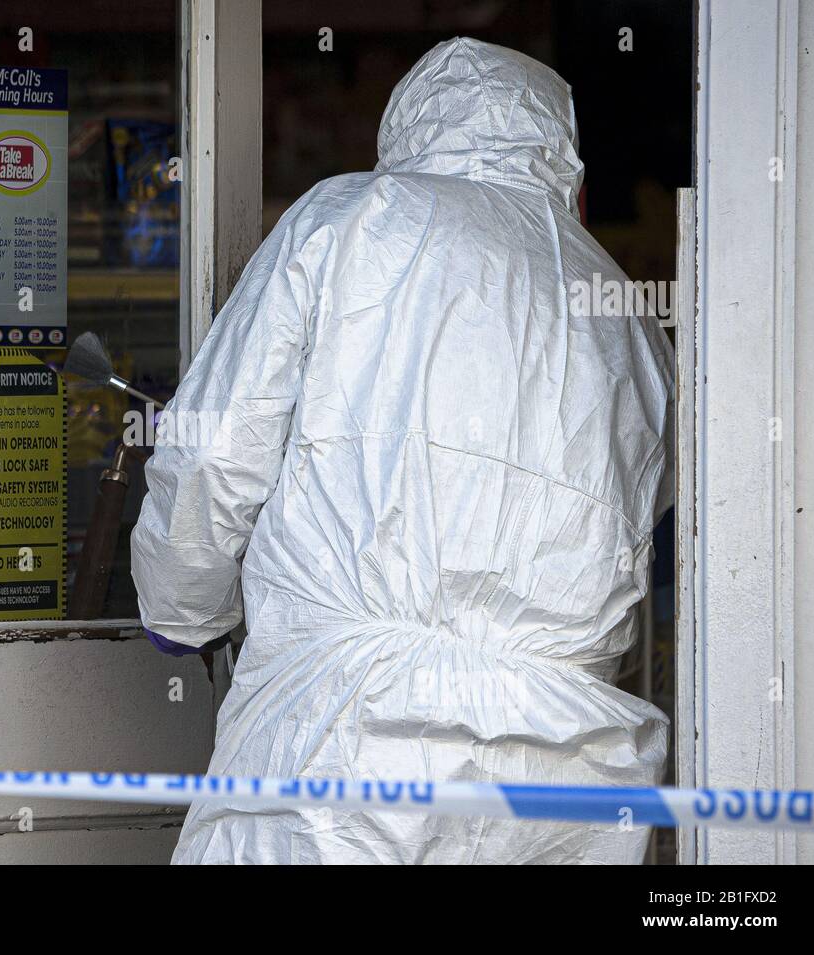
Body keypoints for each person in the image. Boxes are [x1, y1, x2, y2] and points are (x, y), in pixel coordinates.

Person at [131, 37, 675, 864]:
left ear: (409, 134)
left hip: (346, 746)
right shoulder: (630, 321)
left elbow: (215, 451)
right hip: (566, 780)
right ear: (564, 162)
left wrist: (181, 608)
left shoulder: (349, 220)